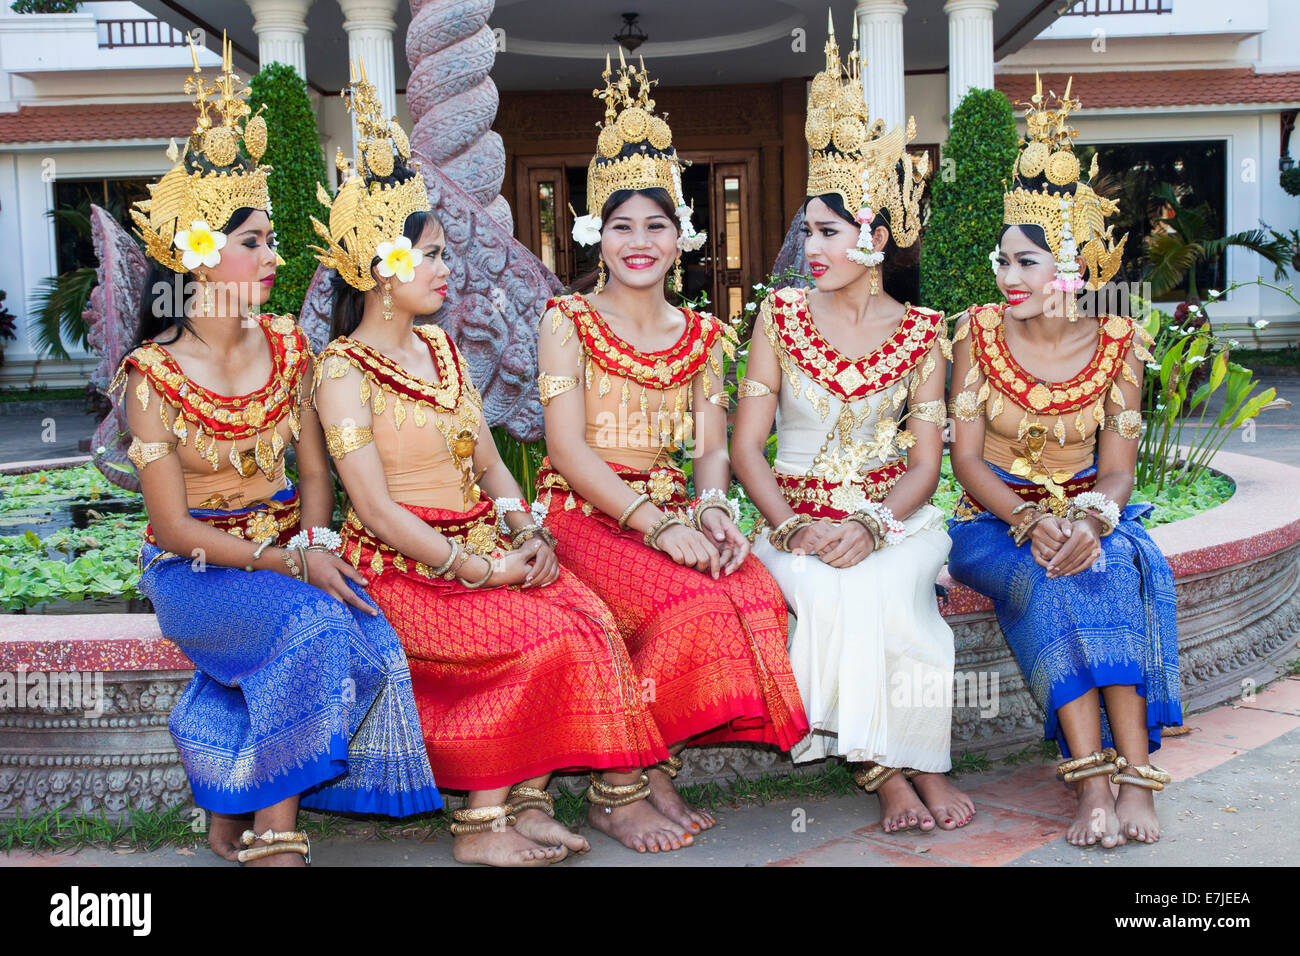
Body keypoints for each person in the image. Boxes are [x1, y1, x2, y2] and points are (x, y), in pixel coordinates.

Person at [311, 68, 671, 866]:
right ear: (379, 269)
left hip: (482, 540)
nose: (448, 269)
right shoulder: (342, 371)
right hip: (406, 565)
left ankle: (523, 796)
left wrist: (523, 527)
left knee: (585, 615)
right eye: (431, 256)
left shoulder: (440, 348)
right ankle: (481, 824)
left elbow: (489, 463)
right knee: (543, 636)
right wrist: (482, 569)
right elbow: (371, 508)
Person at [110, 40, 439, 867]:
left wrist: (317, 545)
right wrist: (290, 568)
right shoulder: (149, 377)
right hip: (196, 571)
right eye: (254, 242)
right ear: (194, 253)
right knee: (314, 631)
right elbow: (173, 527)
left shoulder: (289, 345)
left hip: (284, 550)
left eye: (272, 239)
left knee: (370, 636)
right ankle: (275, 836)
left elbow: (317, 474)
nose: (275, 257)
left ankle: (231, 793)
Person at [535, 51, 810, 852]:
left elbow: (712, 449)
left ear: (682, 235)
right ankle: (623, 787)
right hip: (589, 510)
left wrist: (716, 510)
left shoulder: (704, 335)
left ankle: (654, 761)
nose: (640, 241)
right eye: (622, 225)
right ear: (597, 232)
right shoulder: (568, 322)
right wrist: (658, 526)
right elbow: (565, 445)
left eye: (656, 224)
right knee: (685, 604)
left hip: (673, 508)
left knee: (751, 591)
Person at [732, 19, 973, 834]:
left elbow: (928, 463)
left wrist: (872, 524)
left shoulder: (923, 330)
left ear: (873, 238)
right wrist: (791, 524)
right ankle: (890, 772)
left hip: (893, 517)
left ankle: (915, 762)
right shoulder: (780, 316)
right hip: (793, 521)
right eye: (807, 230)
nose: (809, 247)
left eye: (827, 232)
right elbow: (743, 446)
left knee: (894, 594)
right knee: (831, 596)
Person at [946, 76, 1181, 849]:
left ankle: (1134, 779)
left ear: (1072, 267)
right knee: (1052, 581)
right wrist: (1028, 519)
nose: (1008, 278)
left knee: (1103, 570)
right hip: (993, 522)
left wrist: (1092, 518)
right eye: (1002, 261)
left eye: (1026, 263)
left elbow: (1119, 469)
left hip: (1089, 512)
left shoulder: (1119, 345)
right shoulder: (975, 336)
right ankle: (1093, 788)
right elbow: (968, 459)